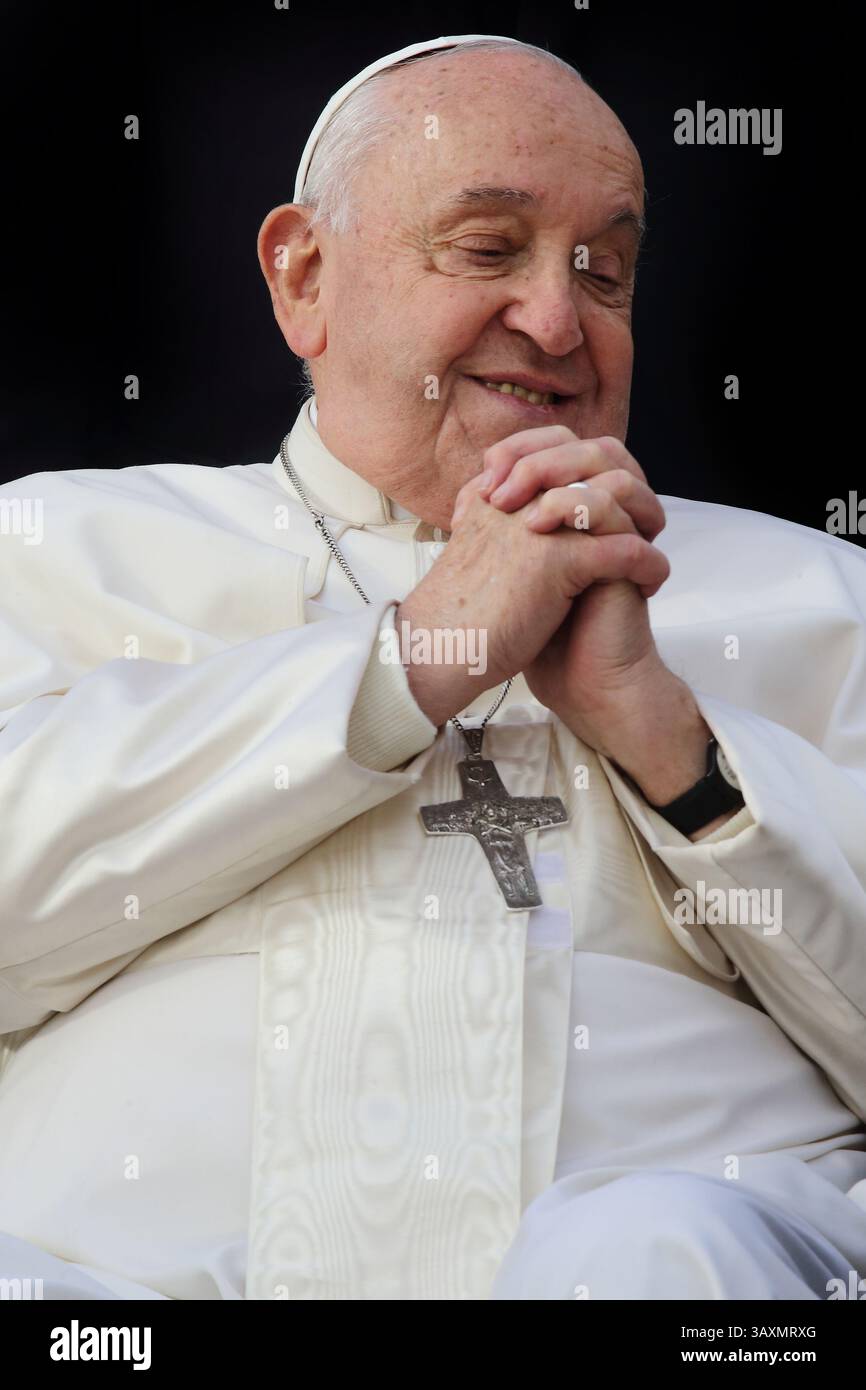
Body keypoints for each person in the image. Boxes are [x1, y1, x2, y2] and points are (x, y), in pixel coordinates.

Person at [1, 34, 864, 1302]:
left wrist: (674, 750)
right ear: (303, 276)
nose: (558, 319)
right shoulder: (62, 547)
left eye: (605, 271)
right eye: (486, 247)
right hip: (113, 1291)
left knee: (653, 1256)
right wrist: (413, 659)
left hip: (671, 1284)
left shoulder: (814, 594)